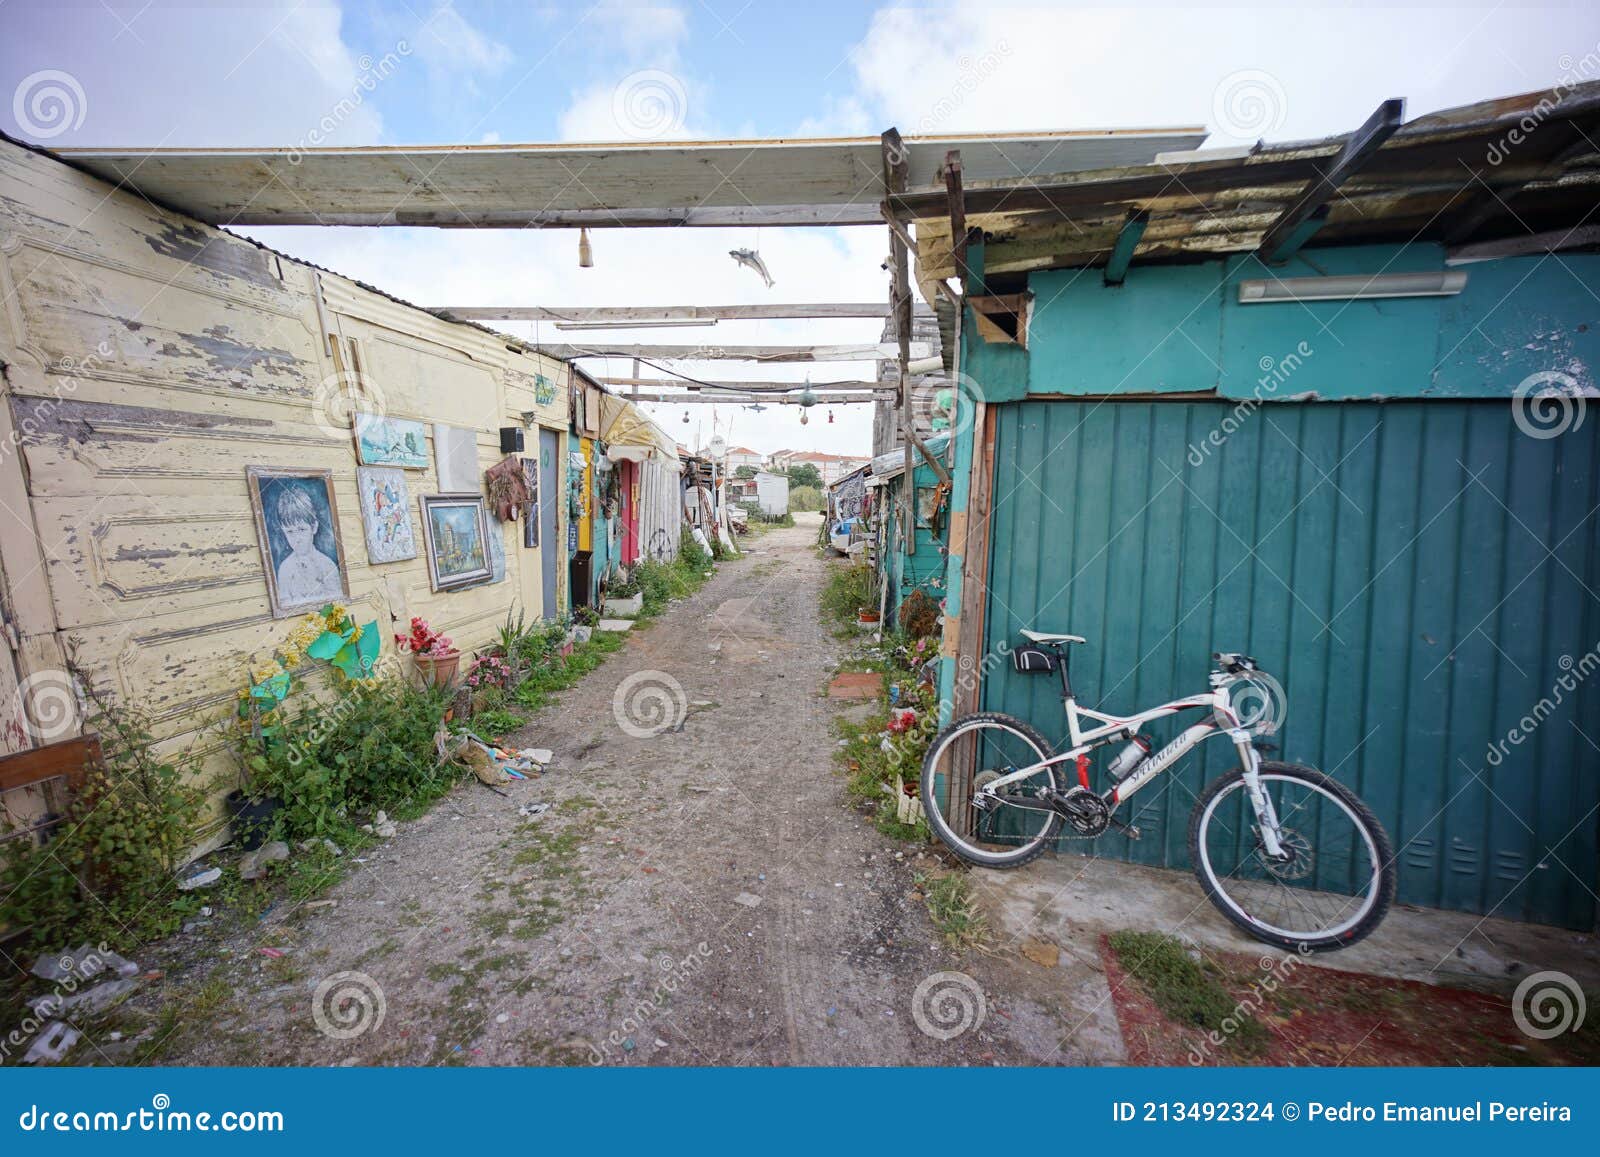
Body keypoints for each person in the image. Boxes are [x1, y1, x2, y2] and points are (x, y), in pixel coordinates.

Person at [272, 485, 342, 605]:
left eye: (302, 529)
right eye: (290, 532)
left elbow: (337, 603)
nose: (297, 539)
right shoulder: (285, 569)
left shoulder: (327, 565)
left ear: (314, 527)